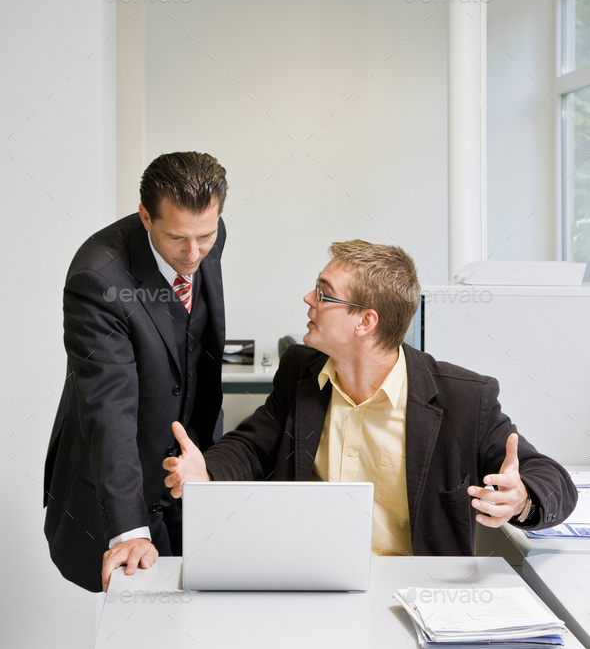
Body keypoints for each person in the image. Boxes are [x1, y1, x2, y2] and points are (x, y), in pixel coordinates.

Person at [163, 240, 577, 556]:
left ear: (366, 321)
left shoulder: (463, 399)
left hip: (415, 594)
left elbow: (553, 478)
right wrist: (208, 472)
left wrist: (522, 497)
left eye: (324, 294)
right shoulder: (301, 371)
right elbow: (253, 446)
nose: (309, 300)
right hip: (308, 580)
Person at [44, 151, 228, 592]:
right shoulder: (97, 278)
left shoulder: (205, 235)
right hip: (118, 488)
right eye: (178, 238)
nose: (194, 253)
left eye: (206, 236)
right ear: (146, 216)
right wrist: (128, 530)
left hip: (188, 480)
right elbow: (109, 408)